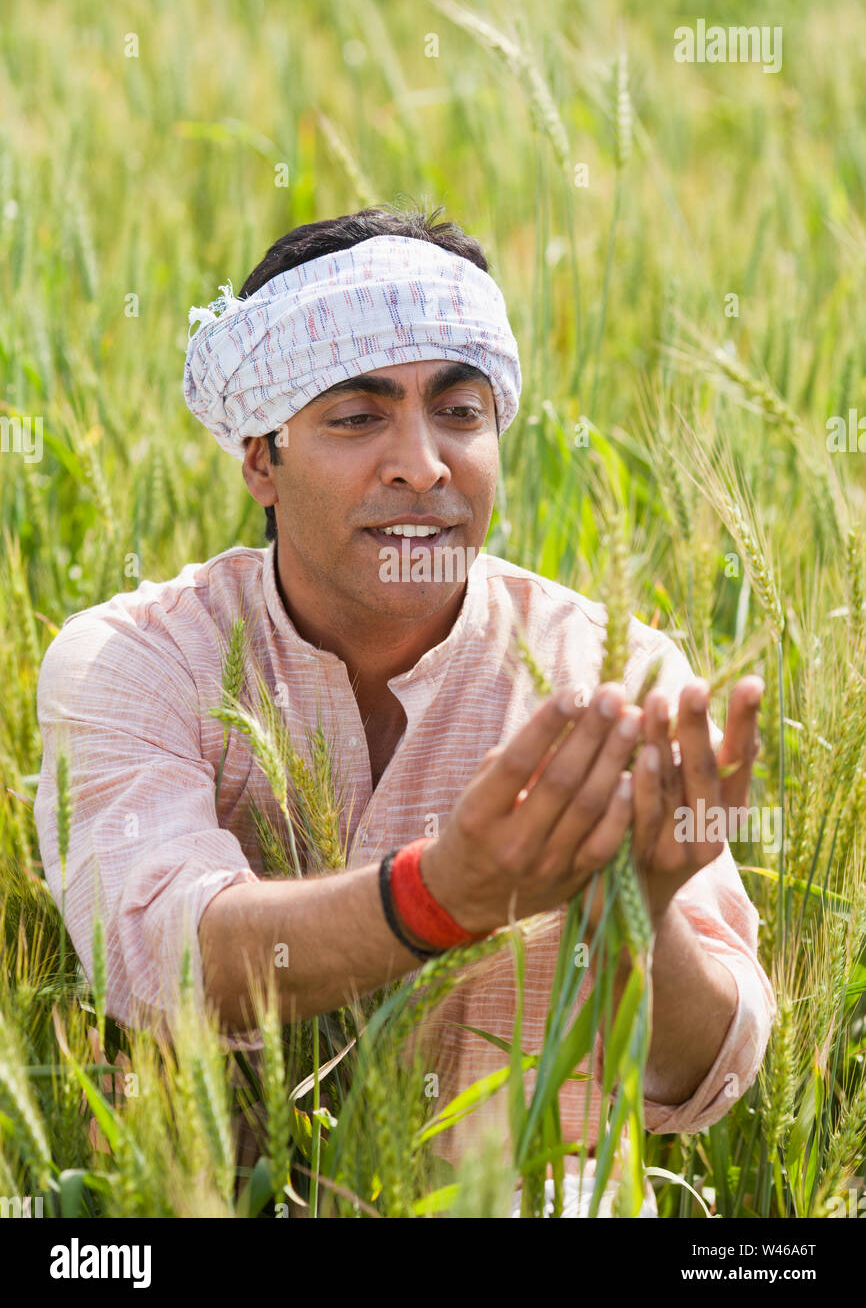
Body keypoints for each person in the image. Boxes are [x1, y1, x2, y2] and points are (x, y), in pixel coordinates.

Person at [34, 204, 775, 1211]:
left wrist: (630, 924)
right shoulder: (137, 660)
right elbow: (164, 953)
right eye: (356, 415)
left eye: (460, 414)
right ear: (261, 455)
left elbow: (699, 1076)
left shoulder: (610, 676)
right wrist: (442, 896)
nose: (422, 464)